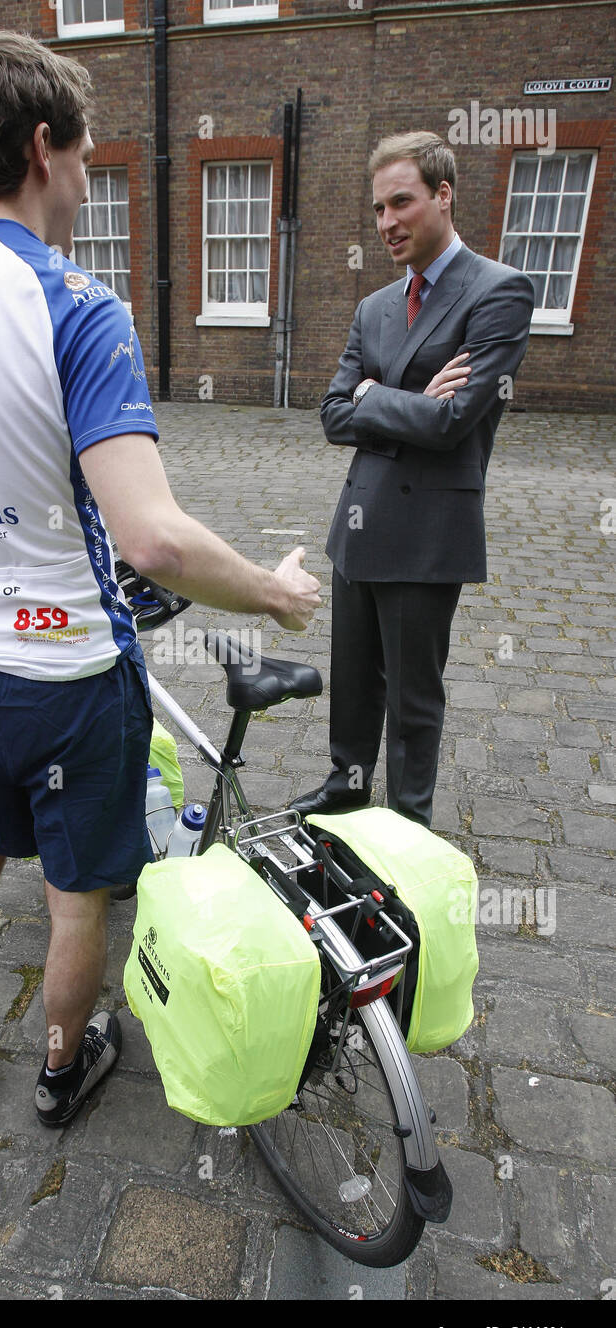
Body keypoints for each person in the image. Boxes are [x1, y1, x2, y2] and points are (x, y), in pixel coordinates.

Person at [0, 28, 320, 1127]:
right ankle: (64, 1069)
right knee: (74, 895)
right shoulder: (76, 306)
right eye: (82, 155)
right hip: (67, 670)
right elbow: (151, 540)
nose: (84, 176)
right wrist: (271, 590)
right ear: (38, 146)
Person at [290, 131, 534, 829]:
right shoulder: (373, 308)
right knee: (355, 680)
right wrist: (396, 402)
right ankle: (347, 781)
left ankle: (408, 822)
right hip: (361, 521)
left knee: (414, 693)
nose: (388, 222)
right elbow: (333, 414)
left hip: (430, 532)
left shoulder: (499, 292)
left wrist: (374, 396)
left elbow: (454, 421)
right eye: (378, 210)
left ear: (443, 195)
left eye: (402, 202)